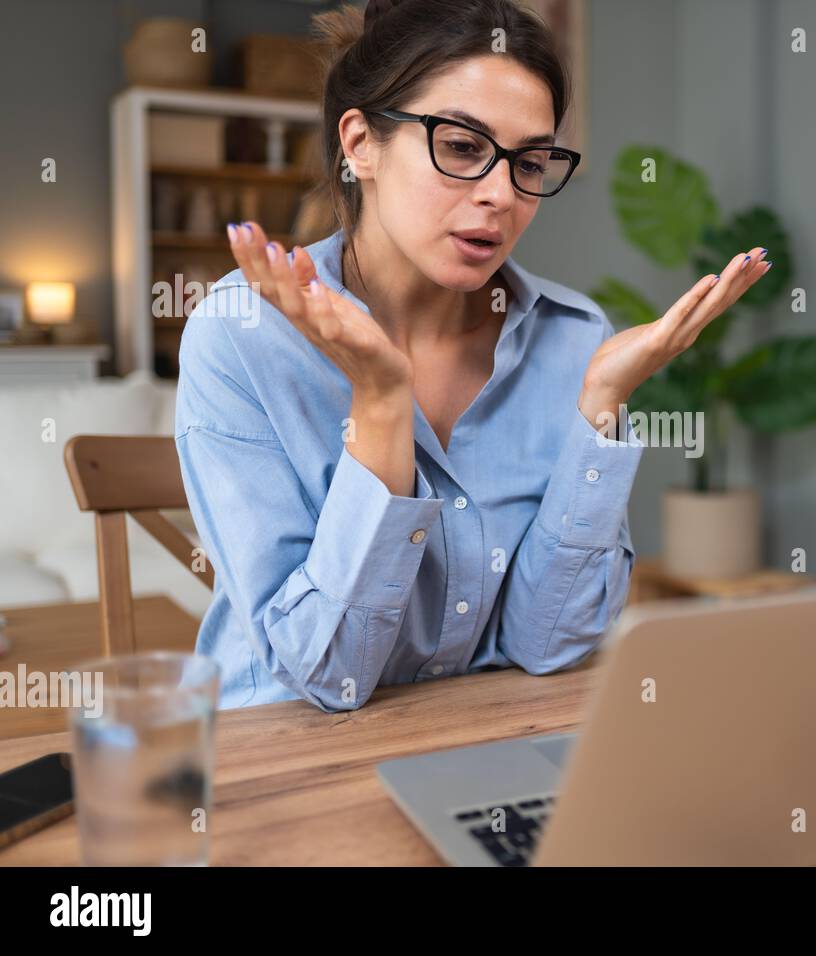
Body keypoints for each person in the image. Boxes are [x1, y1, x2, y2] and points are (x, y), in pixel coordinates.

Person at [174, 0, 771, 711]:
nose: (500, 195)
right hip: (278, 757)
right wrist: (382, 404)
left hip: (479, 742)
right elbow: (325, 673)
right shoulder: (241, 334)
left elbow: (547, 643)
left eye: (531, 161)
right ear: (360, 143)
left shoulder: (573, 339)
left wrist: (600, 406)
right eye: (461, 147)